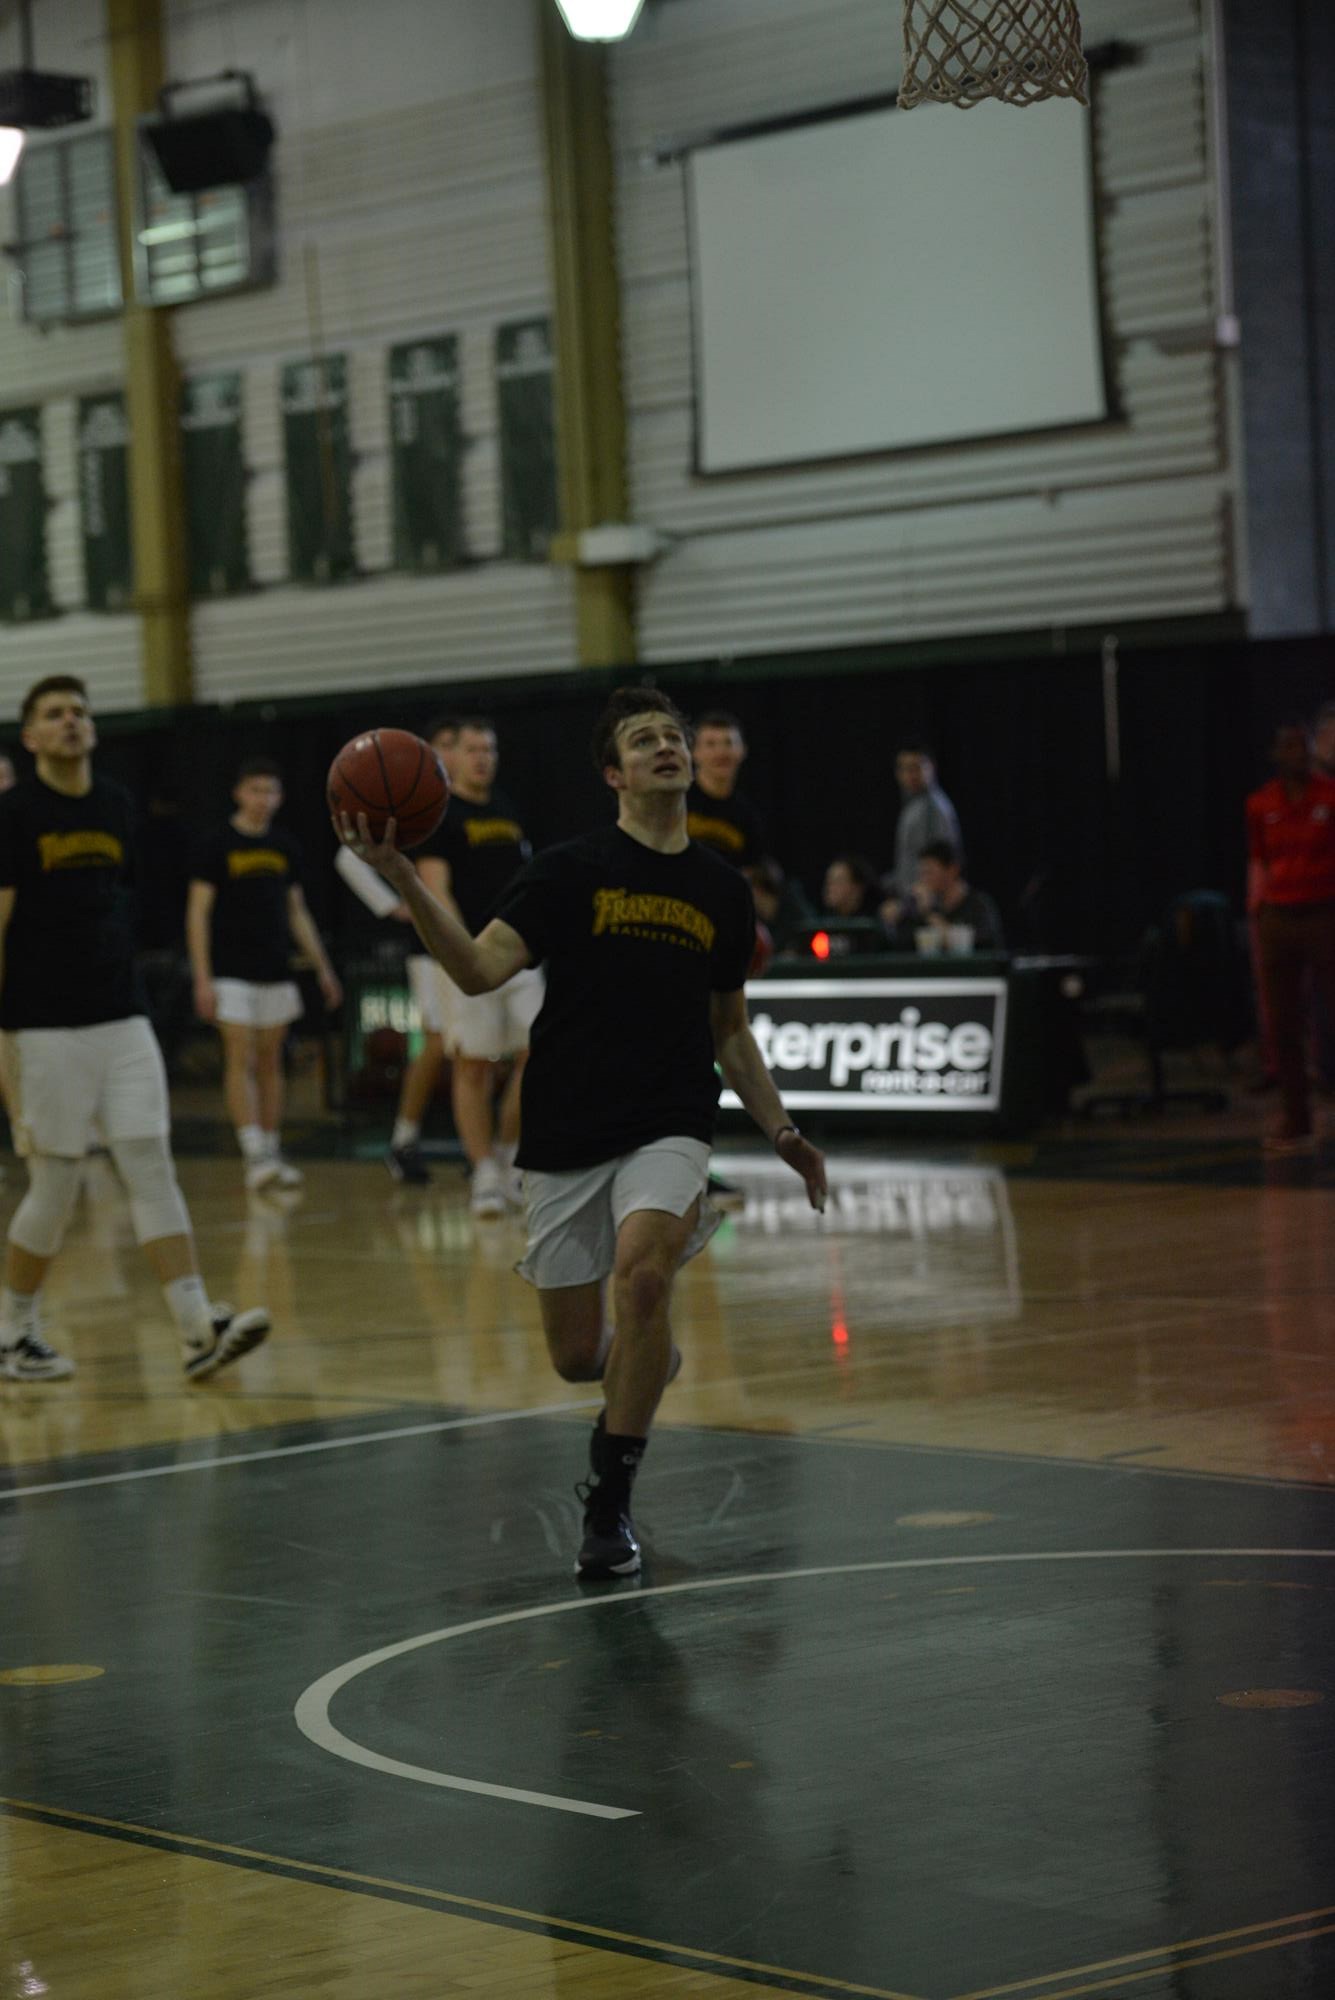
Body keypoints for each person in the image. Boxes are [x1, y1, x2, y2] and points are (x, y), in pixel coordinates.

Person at [335, 685, 827, 1579]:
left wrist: (783, 1130)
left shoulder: (719, 888)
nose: (667, 749)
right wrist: (404, 875)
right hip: (569, 1121)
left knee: (643, 1278)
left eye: (673, 737)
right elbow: (481, 970)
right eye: (644, 742)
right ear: (613, 772)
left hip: (671, 1117)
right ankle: (639, 1367)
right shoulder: (568, 870)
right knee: (574, 1358)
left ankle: (609, 1501)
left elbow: (729, 1029)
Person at [0, 675, 270, 1382]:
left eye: (80, 712)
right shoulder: (12, 814)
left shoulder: (117, 805)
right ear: (30, 738)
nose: (71, 722)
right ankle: (13, 1332)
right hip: (41, 1025)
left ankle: (194, 1328)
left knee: (150, 1163)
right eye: (54, 714)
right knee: (54, 1185)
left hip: (122, 1016)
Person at [187, 757, 343, 1192]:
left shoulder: (284, 846)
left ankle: (272, 1146)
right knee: (241, 1055)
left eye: (270, 791)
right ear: (238, 793)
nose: (262, 800)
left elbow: (298, 911)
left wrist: (322, 967)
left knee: (274, 1059)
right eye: (255, 790)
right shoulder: (215, 845)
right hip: (229, 970)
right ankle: (252, 1148)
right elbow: (198, 913)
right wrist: (202, 976)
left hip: (276, 968)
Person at [412, 716, 541, 1218]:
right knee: (473, 1065)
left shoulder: (508, 809)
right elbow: (434, 887)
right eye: (472, 749)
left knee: (541, 1052)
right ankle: (483, 1171)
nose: (482, 758)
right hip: (467, 956)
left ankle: (508, 1157)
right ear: (454, 756)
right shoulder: (441, 816)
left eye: (489, 749)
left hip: (519, 953)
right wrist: (464, 949)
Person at [335, 716, 461, 1185]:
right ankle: (404, 1138)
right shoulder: (408, 804)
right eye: (447, 745)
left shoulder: (468, 808)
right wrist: (393, 906)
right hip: (430, 949)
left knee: (479, 1053)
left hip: (475, 944)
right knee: (437, 1042)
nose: (456, 754)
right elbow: (346, 856)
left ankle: (488, 1151)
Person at [1245, 720, 1335, 1154]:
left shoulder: (1330, 796)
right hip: (1279, 918)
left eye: (1302, 747)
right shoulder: (1260, 804)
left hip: (1324, 914)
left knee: (1330, 1018)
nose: (1296, 755)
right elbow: (1259, 862)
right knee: (1282, 1024)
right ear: (1276, 755)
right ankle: (1296, 1119)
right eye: (1288, 749)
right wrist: (1258, 914)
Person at [883, 745, 962, 923]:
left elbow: (942, 861)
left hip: (929, 907)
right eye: (905, 769)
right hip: (912, 902)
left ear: (931, 768)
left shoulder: (934, 807)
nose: (911, 775)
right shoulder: (913, 806)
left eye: (916, 767)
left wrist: (927, 902)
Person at [686, 711, 765, 873]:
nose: (721, 752)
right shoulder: (675, 801)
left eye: (729, 743)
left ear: (743, 751)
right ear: (694, 753)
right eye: (711, 744)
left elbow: (752, 869)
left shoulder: (749, 813)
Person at [896, 840, 1005, 952]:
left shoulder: (978, 906)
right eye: (922, 873)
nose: (923, 879)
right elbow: (902, 943)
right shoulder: (921, 906)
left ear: (952, 870)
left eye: (929, 872)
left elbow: (982, 946)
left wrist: (929, 913)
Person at [822, 853, 881, 919]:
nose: (829, 887)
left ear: (857, 888)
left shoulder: (876, 919)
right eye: (828, 881)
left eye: (838, 881)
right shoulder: (823, 923)